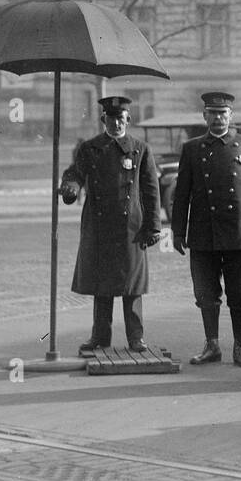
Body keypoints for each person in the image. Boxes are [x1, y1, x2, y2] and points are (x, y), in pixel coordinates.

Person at [59, 96, 161, 354]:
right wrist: (70, 188)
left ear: (128, 119)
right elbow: (75, 173)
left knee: (132, 286)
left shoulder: (140, 148)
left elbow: (150, 190)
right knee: (101, 286)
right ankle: (100, 337)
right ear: (104, 120)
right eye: (111, 119)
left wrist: (154, 226)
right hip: (99, 225)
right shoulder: (90, 148)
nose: (116, 123)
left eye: (121, 118)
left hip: (132, 229)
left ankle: (136, 337)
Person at [171, 91, 241, 367]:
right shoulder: (192, 148)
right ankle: (212, 345)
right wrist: (178, 232)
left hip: (238, 235)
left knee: (240, 295)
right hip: (203, 235)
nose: (218, 118)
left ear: (230, 116)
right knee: (206, 295)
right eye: (212, 113)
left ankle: (240, 345)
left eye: (222, 113)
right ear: (204, 116)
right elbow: (182, 194)